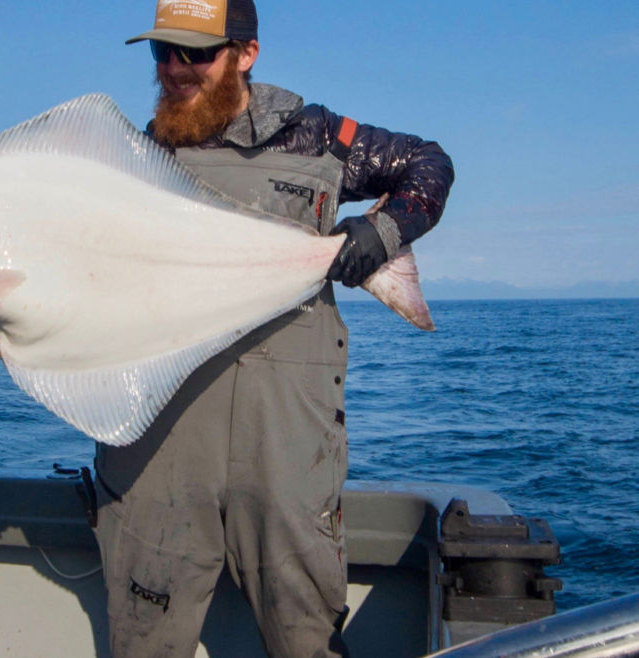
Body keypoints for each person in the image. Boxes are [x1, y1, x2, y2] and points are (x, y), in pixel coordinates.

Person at [91, 2, 454, 657]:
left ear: (246, 54)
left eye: (195, 53)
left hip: (289, 455)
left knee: (306, 643)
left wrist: (381, 231)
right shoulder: (129, 161)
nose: (175, 70)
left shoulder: (316, 138)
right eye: (161, 53)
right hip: (153, 457)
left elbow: (429, 165)